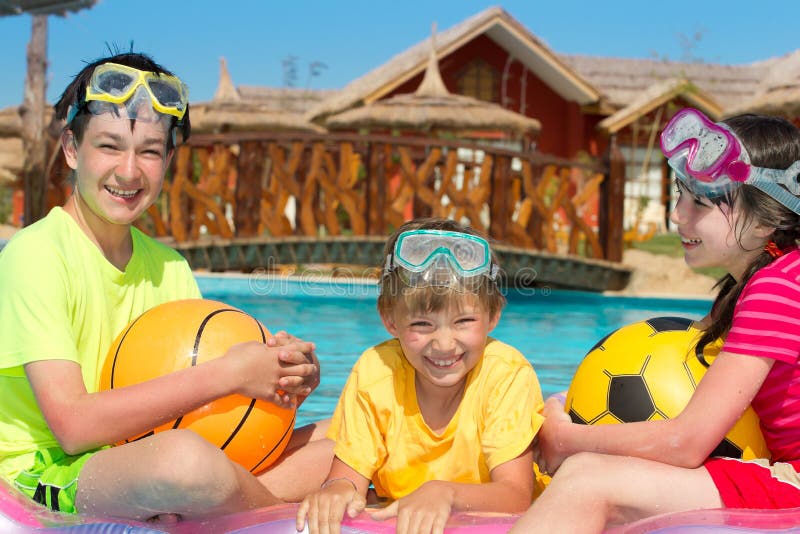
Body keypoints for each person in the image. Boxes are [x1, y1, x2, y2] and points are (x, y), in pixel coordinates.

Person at [0, 52, 332, 523]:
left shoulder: (170, 267)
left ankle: (220, 502)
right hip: (48, 471)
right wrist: (231, 374)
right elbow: (72, 427)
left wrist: (284, 376)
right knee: (186, 463)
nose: (130, 171)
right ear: (72, 149)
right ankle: (257, 514)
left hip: (143, 453)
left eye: (150, 151)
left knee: (350, 435)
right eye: (110, 146)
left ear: (169, 159)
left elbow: (198, 399)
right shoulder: (35, 254)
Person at [510, 108, 800, 533]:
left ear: (765, 221)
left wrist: (566, 441)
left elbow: (686, 442)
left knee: (588, 480)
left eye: (699, 202)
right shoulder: (777, 280)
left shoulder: (775, 291)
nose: (678, 215)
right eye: (680, 194)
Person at [296, 217, 545, 534]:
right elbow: (348, 476)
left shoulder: (506, 375)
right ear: (390, 319)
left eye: (464, 321)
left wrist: (446, 493)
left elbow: (516, 497)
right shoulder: (376, 372)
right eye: (421, 325)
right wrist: (337, 490)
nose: (444, 344)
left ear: (493, 315)